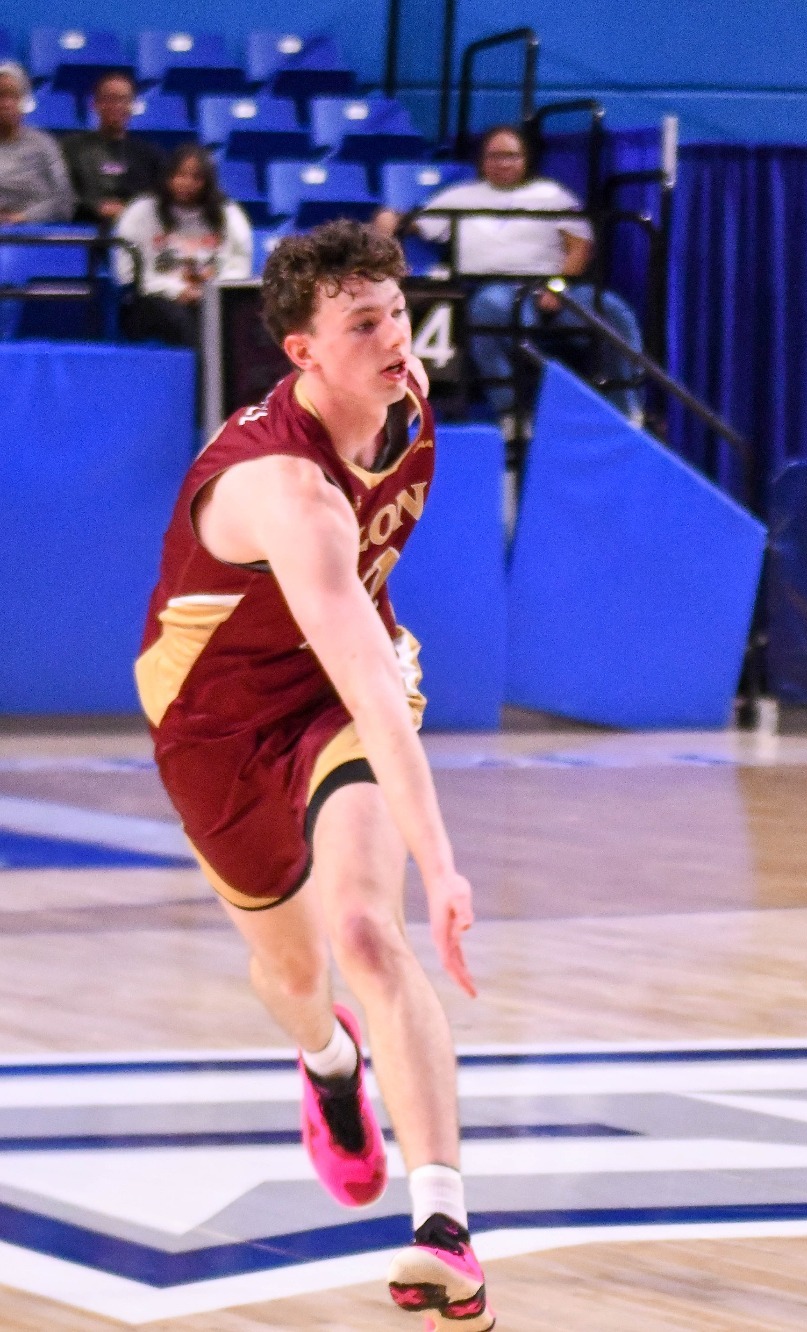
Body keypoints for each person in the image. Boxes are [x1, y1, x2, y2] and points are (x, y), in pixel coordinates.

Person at [134, 220, 493, 1329]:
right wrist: (446, 862)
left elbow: (376, 690)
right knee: (293, 976)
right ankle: (329, 1062)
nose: (392, 336)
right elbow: (358, 665)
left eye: (394, 311)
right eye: (360, 324)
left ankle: (444, 1229)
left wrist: (430, 869)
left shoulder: (408, 392)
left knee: (366, 931)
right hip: (217, 728)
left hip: (343, 693)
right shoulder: (286, 492)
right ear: (301, 352)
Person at [379, 123, 643, 424]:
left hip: (555, 288)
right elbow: (413, 223)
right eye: (495, 156)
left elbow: (580, 247)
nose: (503, 163)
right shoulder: (461, 197)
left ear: (525, 159)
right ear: (482, 160)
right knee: (489, 308)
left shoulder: (551, 195)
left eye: (511, 155)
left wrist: (556, 287)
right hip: (494, 288)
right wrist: (389, 217)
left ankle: (629, 411)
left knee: (613, 311)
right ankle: (513, 415)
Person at [113, 144, 253, 347]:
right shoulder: (141, 212)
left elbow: (239, 268)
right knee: (184, 322)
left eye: (196, 177)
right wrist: (176, 290)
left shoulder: (228, 214)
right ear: (168, 176)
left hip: (212, 299)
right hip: (152, 299)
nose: (187, 183)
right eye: (180, 175)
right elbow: (126, 273)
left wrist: (210, 292)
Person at [63, 71, 164, 226]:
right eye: (109, 98)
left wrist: (129, 210)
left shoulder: (149, 154)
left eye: (124, 99)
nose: (117, 105)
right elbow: (61, 193)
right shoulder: (71, 148)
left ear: (132, 106)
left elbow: (158, 198)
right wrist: (96, 207)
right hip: (83, 230)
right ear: (95, 104)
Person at [0, 62, 75, 225]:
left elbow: (64, 200)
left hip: (38, 234)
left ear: (23, 101)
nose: (5, 104)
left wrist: (23, 218)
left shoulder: (44, 145)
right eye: (0, 96)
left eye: (12, 95)